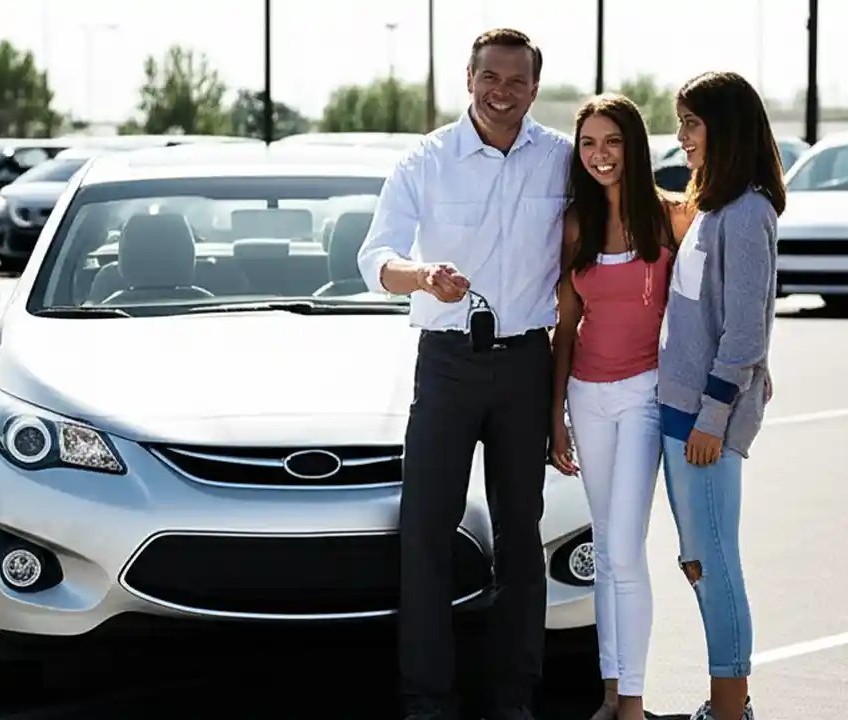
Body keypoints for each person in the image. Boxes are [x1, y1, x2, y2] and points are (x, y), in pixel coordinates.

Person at [356, 27, 573, 720]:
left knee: (520, 535)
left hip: (526, 367)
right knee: (426, 535)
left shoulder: (562, 160)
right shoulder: (426, 160)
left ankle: (513, 699)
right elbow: (376, 259)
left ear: (535, 88)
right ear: (469, 79)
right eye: (491, 78)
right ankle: (427, 700)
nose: (502, 92)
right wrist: (424, 276)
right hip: (446, 367)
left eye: (517, 81)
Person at [548, 93, 690, 720]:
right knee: (605, 548)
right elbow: (565, 324)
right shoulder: (575, 223)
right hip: (585, 393)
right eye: (588, 144)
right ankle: (609, 694)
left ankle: (631, 701)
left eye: (612, 142)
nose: (600, 155)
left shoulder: (669, 218)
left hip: (643, 395)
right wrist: (555, 412)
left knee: (626, 549)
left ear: (633, 145)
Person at [659, 70, 786, 720]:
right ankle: (725, 706)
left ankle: (730, 711)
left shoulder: (746, 213)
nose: (681, 137)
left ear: (725, 129)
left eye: (691, 123)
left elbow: (746, 333)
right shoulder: (711, 207)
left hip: (704, 421)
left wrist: (713, 416)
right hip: (678, 411)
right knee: (698, 560)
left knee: (715, 562)